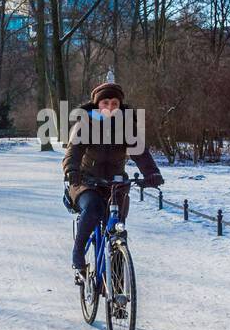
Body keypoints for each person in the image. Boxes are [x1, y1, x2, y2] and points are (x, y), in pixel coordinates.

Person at [62, 80, 164, 284]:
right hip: (85, 181)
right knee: (93, 208)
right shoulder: (85, 125)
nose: (109, 107)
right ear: (97, 105)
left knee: (117, 232)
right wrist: (71, 171)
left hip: (115, 184)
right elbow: (73, 153)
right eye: (105, 103)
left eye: (114, 104)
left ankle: (117, 293)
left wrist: (152, 173)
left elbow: (141, 154)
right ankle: (78, 253)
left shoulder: (127, 126)